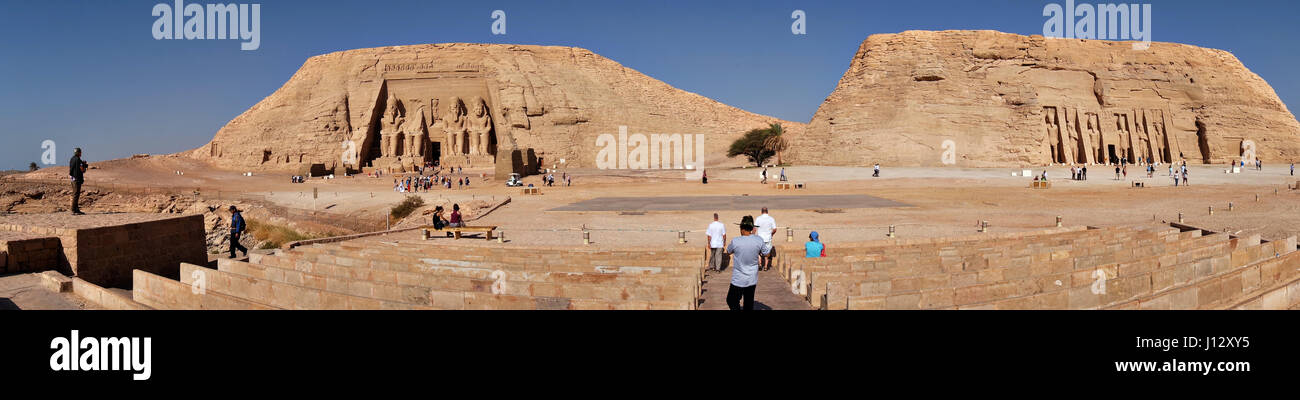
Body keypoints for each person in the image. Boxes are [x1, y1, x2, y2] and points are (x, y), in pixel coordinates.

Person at [725, 216, 764, 311]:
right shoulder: (759, 240)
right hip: (752, 278)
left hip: (738, 278)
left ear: (742, 229)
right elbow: (767, 253)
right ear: (752, 228)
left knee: (731, 300)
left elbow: (728, 251)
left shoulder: (736, 241)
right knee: (748, 303)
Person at [754, 207, 777, 271]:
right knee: (767, 252)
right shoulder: (771, 219)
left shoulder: (758, 218)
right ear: (767, 211)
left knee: (759, 252)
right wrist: (771, 234)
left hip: (760, 238)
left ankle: (760, 264)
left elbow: (755, 228)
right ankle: (766, 266)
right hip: (768, 238)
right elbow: (775, 229)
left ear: (761, 212)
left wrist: (753, 235)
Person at [68, 147, 88, 215]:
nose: (81, 153)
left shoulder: (72, 159)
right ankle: (73, 210)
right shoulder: (78, 160)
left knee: (75, 194)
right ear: (79, 152)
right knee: (76, 194)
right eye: (80, 152)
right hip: (77, 179)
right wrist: (85, 166)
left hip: (73, 179)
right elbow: (82, 170)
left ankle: (76, 209)